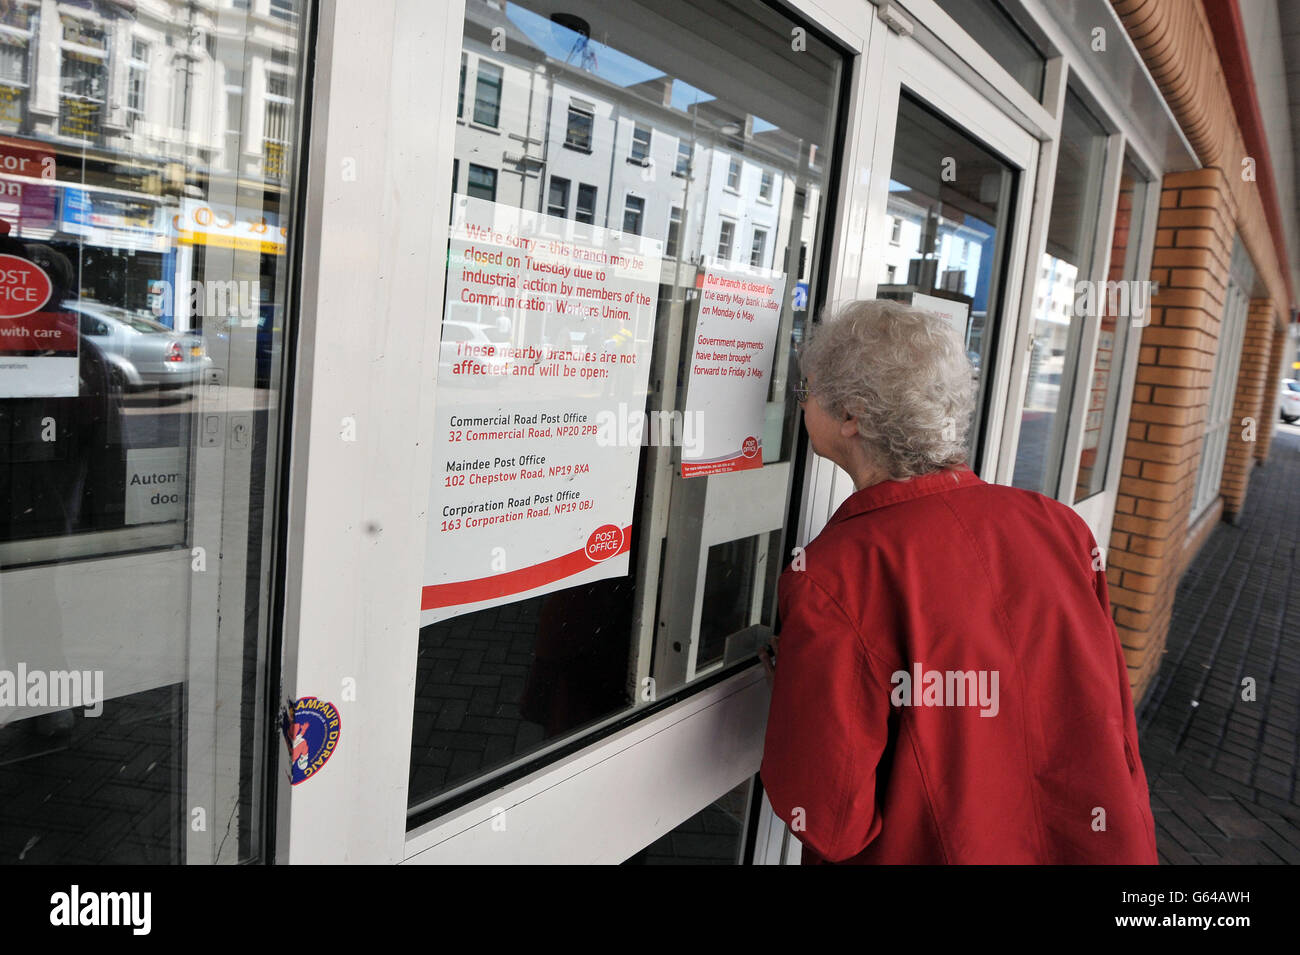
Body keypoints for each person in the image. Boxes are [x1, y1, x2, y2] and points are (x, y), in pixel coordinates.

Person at [758, 299, 1158, 864]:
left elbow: (829, 818)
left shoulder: (838, 572)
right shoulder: (1057, 524)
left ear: (850, 414)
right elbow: (1108, 717)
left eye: (807, 391)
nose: (800, 405)